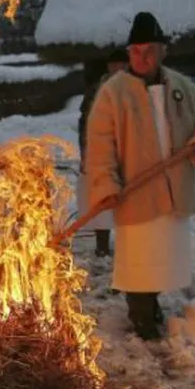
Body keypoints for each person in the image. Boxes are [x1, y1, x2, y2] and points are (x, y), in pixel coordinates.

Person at [84, 11, 195, 340]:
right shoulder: (113, 93)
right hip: (136, 191)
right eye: (136, 50)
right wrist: (106, 184)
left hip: (173, 184)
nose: (142, 57)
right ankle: (141, 315)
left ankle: (152, 302)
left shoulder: (181, 86)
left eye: (149, 50)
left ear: (163, 51)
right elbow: (100, 144)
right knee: (138, 259)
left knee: (162, 254)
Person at [78, 48, 128, 258]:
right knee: (102, 199)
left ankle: (132, 243)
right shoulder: (97, 88)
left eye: (122, 64)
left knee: (131, 200)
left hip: (128, 150)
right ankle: (102, 244)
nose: (117, 68)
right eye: (114, 64)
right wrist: (85, 151)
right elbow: (85, 121)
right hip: (101, 150)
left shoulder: (134, 87)